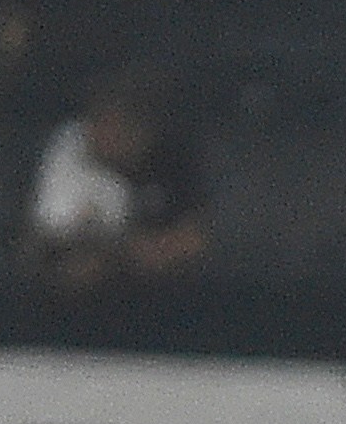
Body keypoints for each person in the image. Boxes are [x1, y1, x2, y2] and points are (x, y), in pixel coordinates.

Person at [20, 65, 208, 298]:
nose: (98, 133)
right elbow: (49, 233)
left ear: (139, 128)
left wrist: (157, 249)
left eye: (112, 123)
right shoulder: (71, 154)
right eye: (96, 121)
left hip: (168, 304)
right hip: (82, 307)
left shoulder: (173, 165)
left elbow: (195, 241)